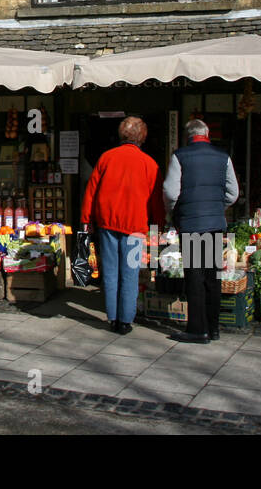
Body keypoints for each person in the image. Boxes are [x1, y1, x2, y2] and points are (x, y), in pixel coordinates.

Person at [81, 115, 160, 335]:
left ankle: (112, 316)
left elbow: (91, 191)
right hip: (135, 226)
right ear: (142, 137)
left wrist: (87, 219)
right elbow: (155, 198)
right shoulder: (149, 164)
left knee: (110, 270)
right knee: (130, 272)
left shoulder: (106, 158)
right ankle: (125, 320)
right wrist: (158, 223)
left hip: (107, 222)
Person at [163, 119, 239, 344]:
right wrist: (218, 206)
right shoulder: (223, 157)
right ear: (207, 134)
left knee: (195, 277)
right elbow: (233, 193)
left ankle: (198, 329)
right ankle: (214, 327)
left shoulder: (180, 156)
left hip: (193, 223)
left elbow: (170, 191)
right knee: (212, 278)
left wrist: (173, 212)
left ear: (188, 135)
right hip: (215, 223)